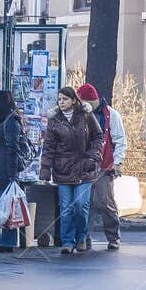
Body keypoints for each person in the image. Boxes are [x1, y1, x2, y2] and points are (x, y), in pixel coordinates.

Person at [38, 85, 103, 256]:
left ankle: (81, 237)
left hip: (84, 168)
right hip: (63, 169)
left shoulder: (85, 116)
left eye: (65, 99)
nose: (61, 102)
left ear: (74, 100)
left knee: (81, 206)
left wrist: (92, 157)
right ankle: (67, 242)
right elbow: (49, 146)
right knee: (66, 208)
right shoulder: (55, 121)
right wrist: (45, 168)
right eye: (59, 99)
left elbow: (98, 136)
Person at [75, 83, 126, 251]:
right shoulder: (80, 114)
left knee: (105, 202)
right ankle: (84, 238)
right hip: (84, 165)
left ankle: (113, 237)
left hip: (105, 165)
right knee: (84, 204)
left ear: (91, 100)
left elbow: (120, 140)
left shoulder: (111, 115)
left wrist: (117, 162)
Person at [0, 90, 27, 252]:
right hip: (2, 167)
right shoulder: (9, 121)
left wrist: (12, 174)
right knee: (5, 204)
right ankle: (6, 240)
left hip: (5, 169)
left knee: (7, 205)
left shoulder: (10, 122)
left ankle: (7, 241)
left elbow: (12, 148)